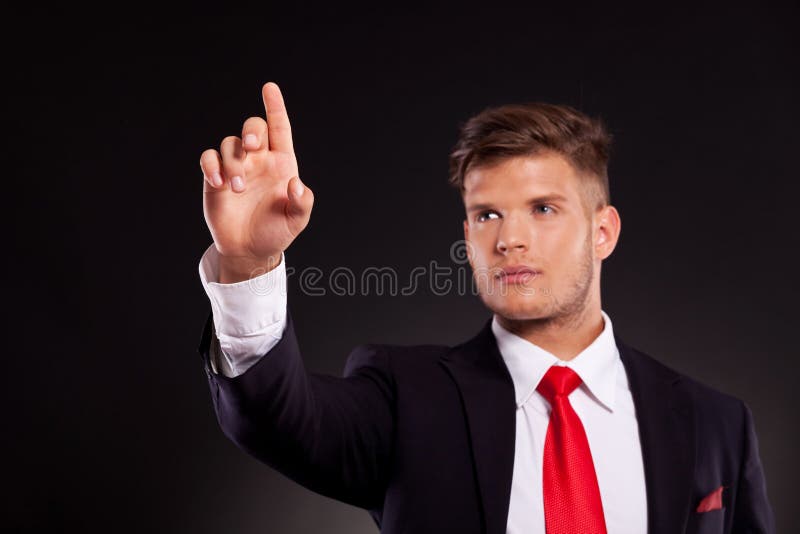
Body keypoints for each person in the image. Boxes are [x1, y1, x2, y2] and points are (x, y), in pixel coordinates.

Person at [196, 82, 775, 533]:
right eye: (487, 215)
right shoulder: (407, 397)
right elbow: (279, 422)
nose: (509, 240)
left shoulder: (716, 423)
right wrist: (249, 264)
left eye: (543, 209)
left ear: (603, 232)